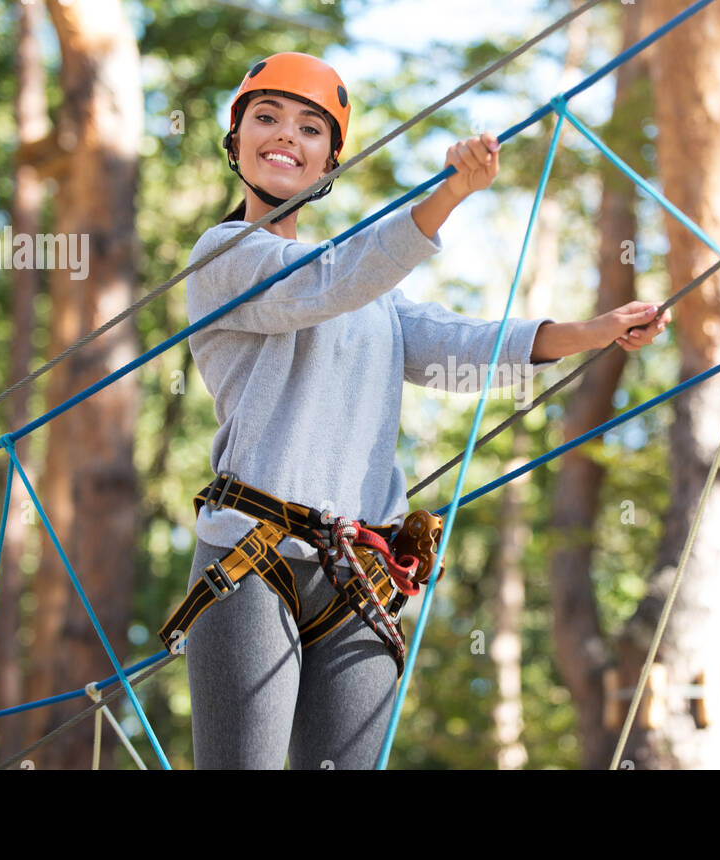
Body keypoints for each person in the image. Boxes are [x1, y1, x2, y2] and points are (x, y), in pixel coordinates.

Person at [170, 52, 670, 769]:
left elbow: (455, 345)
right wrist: (450, 195)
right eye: (267, 118)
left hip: (357, 574)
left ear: (329, 161)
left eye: (311, 128)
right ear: (236, 139)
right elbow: (324, 285)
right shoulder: (225, 255)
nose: (286, 136)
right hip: (252, 561)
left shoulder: (366, 287)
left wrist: (595, 331)